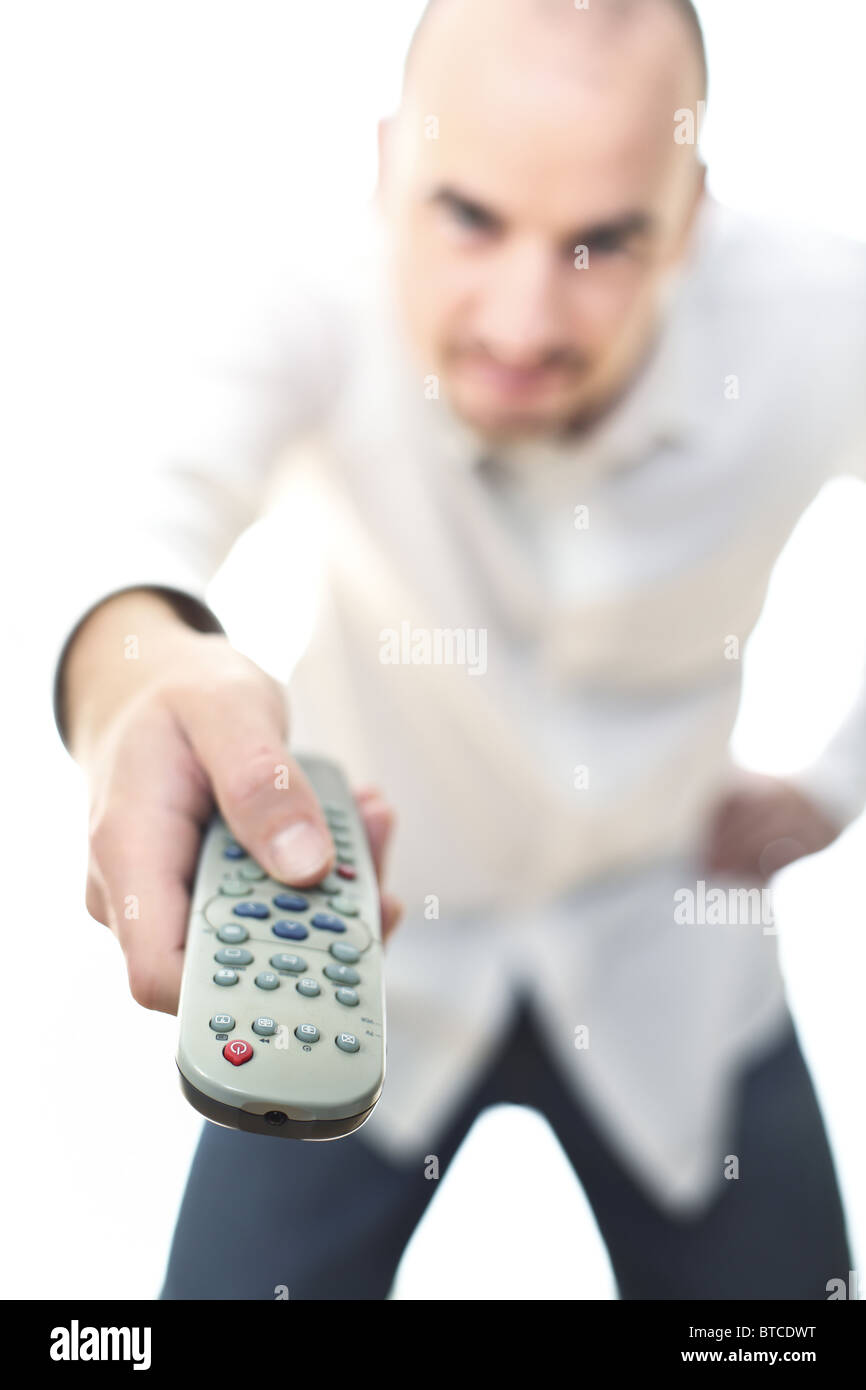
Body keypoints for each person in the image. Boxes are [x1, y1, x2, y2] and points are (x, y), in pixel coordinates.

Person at [53, 0, 866, 1299]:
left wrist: (832, 782)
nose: (523, 322)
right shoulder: (305, 285)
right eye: (469, 217)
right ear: (386, 162)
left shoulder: (819, 315)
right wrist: (139, 671)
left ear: (693, 205)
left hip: (676, 972)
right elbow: (123, 508)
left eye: (602, 238)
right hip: (356, 965)